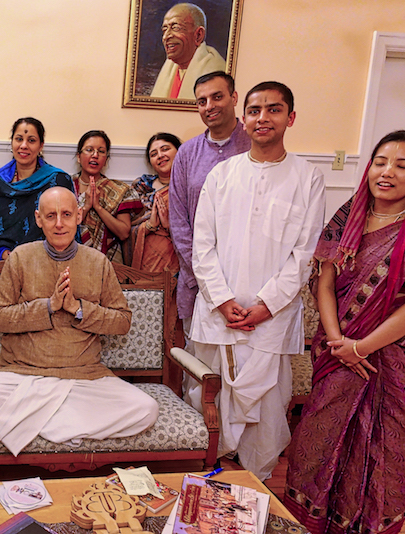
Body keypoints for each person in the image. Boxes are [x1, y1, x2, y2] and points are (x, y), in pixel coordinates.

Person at [285, 131, 405, 534]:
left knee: (386, 454)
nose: (387, 172)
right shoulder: (346, 216)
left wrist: (362, 346)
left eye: (401, 165)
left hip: (397, 357)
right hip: (339, 349)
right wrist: (340, 343)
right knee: (315, 443)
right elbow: (324, 282)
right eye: (380, 162)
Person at [190, 81, 325, 480]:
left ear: (291, 117)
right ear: (243, 117)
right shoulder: (222, 175)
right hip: (219, 316)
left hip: (273, 319)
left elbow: (303, 254)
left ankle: (256, 491)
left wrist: (266, 305)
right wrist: (222, 299)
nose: (262, 117)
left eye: (274, 109)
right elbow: (203, 246)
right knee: (211, 403)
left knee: (267, 411)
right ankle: (206, 485)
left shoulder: (307, 178)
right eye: (255, 110)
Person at [0, 187, 159, 455]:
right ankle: (68, 429)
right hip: (24, 373)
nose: (58, 223)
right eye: (50, 215)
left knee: (146, 409)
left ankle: (30, 425)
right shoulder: (20, 258)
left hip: (83, 376)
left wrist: (78, 309)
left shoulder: (98, 262)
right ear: (38, 219)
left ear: (79, 216)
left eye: (66, 214)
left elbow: (122, 321)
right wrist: (49, 306)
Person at [169, 71, 251, 344]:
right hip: (198, 280)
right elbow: (179, 220)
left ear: (234, 97)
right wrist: (203, 276)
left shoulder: (255, 145)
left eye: (217, 97)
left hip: (247, 280)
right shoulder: (188, 153)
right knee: (198, 370)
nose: (209, 106)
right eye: (202, 101)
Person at [0, 117, 75, 263]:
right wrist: (4, 254)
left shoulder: (57, 181)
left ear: (41, 146)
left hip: (47, 262)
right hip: (4, 264)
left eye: (31, 140)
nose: (24, 145)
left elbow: (67, 228)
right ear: (12, 142)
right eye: (19, 139)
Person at [74, 130, 143, 264]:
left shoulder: (120, 190)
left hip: (109, 262)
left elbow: (124, 233)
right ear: (78, 156)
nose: (95, 155)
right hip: (72, 259)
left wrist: (98, 208)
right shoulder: (65, 186)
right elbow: (62, 226)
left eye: (101, 151)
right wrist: (87, 206)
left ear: (106, 159)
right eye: (89, 150)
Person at [129, 132, 182, 271]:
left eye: (165, 149)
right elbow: (125, 230)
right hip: (146, 264)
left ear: (180, 151)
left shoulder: (189, 188)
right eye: (153, 154)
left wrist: (169, 226)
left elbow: (201, 230)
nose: (160, 156)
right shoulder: (141, 187)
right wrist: (148, 226)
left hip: (180, 266)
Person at [150, 3, 226, 100]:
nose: (166, 36)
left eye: (176, 28)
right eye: (165, 30)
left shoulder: (215, 71)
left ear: (198, 35)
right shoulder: (170, 67)